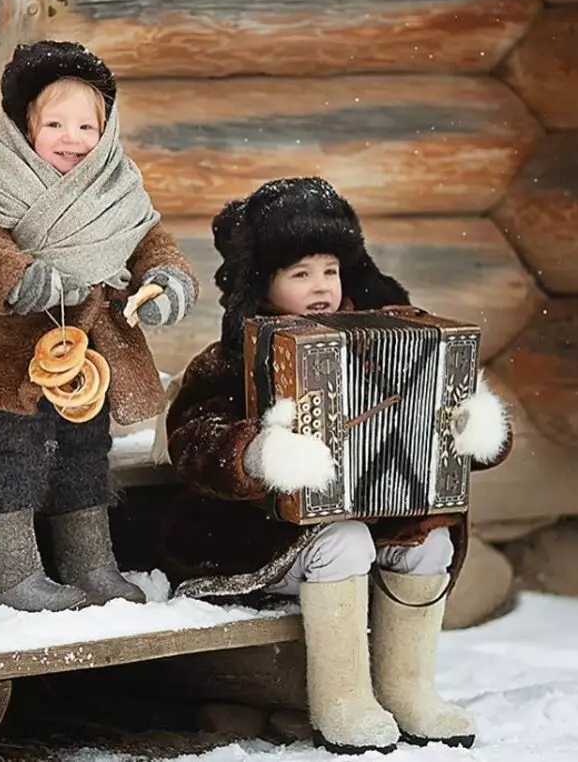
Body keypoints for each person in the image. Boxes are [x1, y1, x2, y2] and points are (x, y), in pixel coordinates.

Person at [162, 177, 513, 753]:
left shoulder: (393, 336)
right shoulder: (232, 358)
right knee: (343, 539)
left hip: (377, 517)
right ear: (265, 281)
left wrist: (473, 428)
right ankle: (344, 700)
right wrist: (256, 453)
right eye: (300, 274)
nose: (320, 287)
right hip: (260, 537)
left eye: (329, 270)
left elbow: (442, 424)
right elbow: (192, 442)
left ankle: (407, 689)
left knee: (429, 543)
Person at [0, 40, 198, 612]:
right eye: (55, 123)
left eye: (87, 126)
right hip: (13, 350)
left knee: (86, 452)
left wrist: (164, 280)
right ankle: (12, 573)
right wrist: (18, 278)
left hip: (97, 349)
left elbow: (151, 242)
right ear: (24, 126)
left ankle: (91, 564)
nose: (72, 139)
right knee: (15, 452)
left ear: (106, 131)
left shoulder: (118, 186)